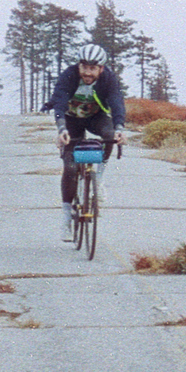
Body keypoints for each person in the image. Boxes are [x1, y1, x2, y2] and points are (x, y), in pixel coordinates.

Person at [49, 44, 126, 240]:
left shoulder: (108, 78)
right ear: (79, 66)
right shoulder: (69, 75)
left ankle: (98, 178)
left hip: (95, 117)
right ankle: (66, 217)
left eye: (92, 69)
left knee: (108, 135)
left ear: (101, 68)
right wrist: (61, 129)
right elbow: (58, 101)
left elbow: (116, 101)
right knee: (71, 167)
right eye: (84, 67)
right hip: (71, 120)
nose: (87, 73)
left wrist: (119, 129)